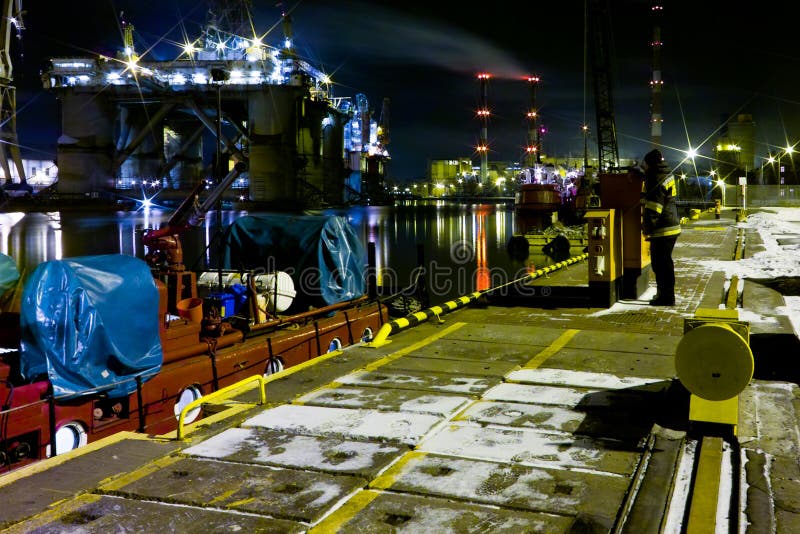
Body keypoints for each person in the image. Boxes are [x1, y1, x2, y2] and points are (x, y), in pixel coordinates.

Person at [641, 148, 681, 306]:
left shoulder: (655, 178)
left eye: (645, 164)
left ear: (650, 163)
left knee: (660, 265)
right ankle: (665, 294)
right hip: (671, 225)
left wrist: (647, 229)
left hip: (662, 228)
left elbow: (654, 207)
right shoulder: (666, 173)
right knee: (665, 264)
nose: (644, 166)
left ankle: (666, 297)